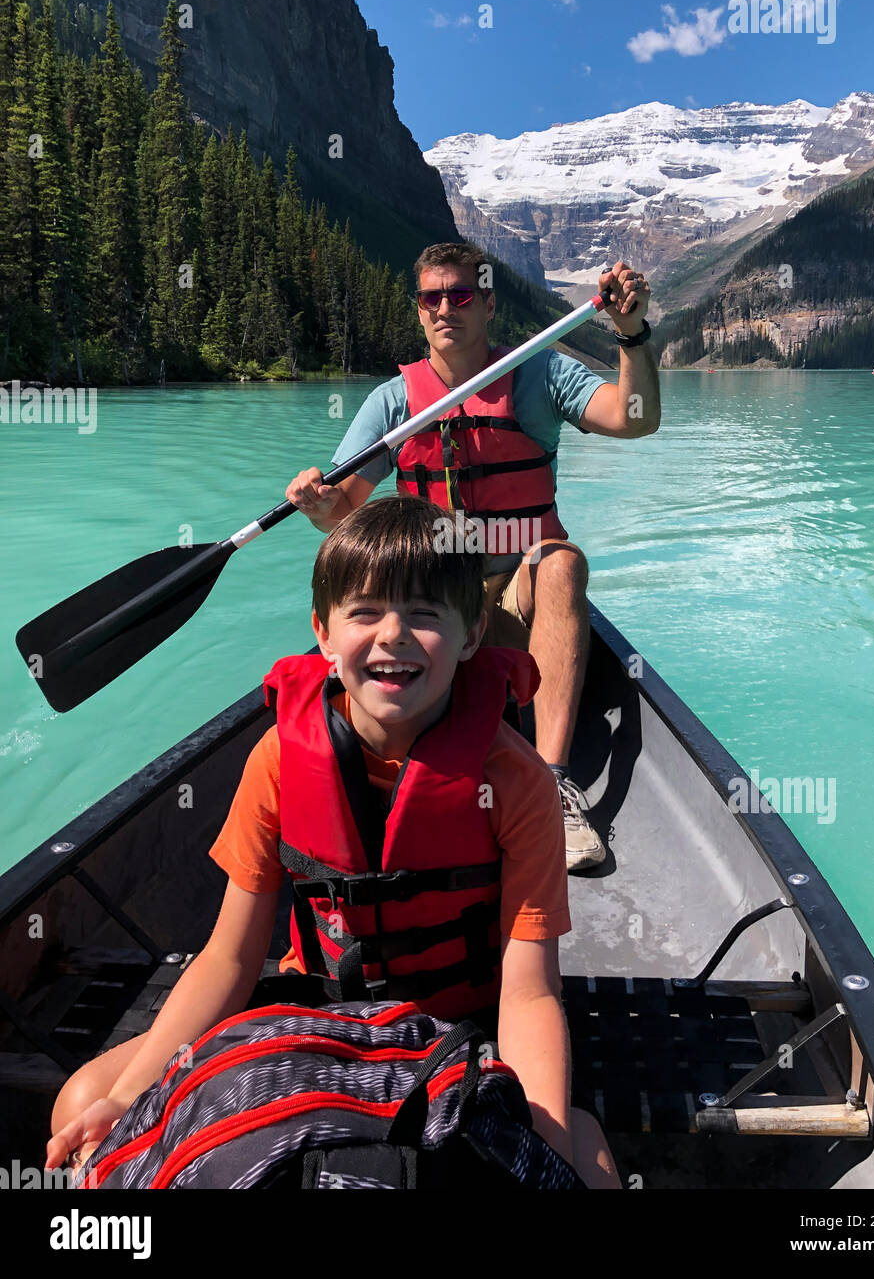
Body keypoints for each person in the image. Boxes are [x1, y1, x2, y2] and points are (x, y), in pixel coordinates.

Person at [46, 496, 621, 1189]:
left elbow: (528, 994)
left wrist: (541, 1146)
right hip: (314, 1013)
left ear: (472, 635)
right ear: (322, 632)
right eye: (365, 612)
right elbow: (229, 958)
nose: (393, 636)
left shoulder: (513, 780)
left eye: (424, 614)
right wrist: (128, 1098)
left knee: (578, 1155)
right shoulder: (280, 760)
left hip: (457, 1031)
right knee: (83, 1098)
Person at [286, 241, 659, 871]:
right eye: (432, 298)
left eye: (460, 296)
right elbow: (343, 509)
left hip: (518, 587)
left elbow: (636, 418)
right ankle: (383, 766)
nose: (444, 309)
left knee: (563, 561)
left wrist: (633, 335)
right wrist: (317, 503)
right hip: (440, 598)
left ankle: (553, 781)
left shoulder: (542, 374)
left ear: (487, 304)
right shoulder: (392, 401)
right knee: (368, 578)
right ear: (420, 310)